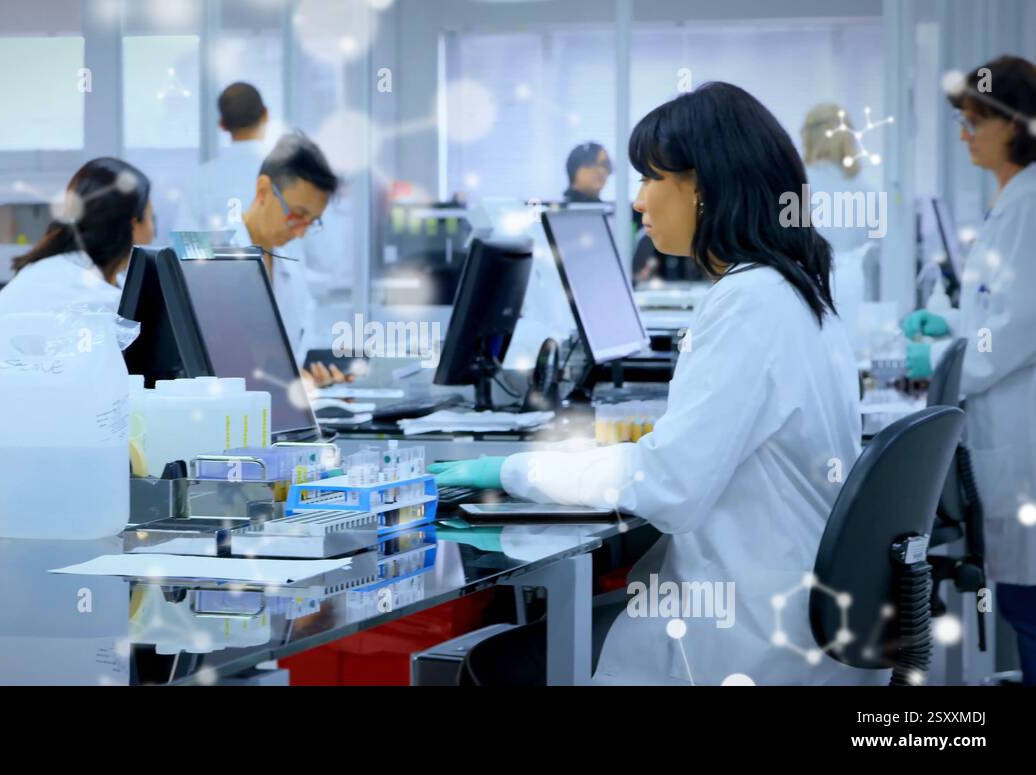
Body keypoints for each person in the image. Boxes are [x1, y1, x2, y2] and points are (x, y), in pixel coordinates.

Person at [432, 83, 884, 686]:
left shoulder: (751, 301)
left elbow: (670, 484)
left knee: (490, 663)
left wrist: (514, 470)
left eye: (652, 179)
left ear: (706, 187)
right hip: (792, 613)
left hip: (745, 638)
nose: (639, 201)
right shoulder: (793, 290)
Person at [903, 55, 1036, 685]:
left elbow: (1017, 327)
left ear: (1016, 123)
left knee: (1030, 605)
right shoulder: (1014, 198)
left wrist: (948, 359)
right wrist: (952, 329)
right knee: (1022, 600)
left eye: (973, 121)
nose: (964, 135)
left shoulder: (1032, 202)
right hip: (1009, 424)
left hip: (1023, 430)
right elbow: (997, 312)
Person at [0, 157, 155, 327]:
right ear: (133, 225)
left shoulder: (66, 272)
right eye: (150, 218)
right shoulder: (84, 295)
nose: (153, 231)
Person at [231, 131, 343, 384]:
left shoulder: (290, 272)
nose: (301, 232)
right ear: (263, 191)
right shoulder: (214, 266)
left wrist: (312, 380)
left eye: (311, 222)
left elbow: (292, 361)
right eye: (296, 214)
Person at [801, 104, 877, 329]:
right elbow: (877, 263)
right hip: (859, 313)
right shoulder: (868, 193)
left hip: (809, 311)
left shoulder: (794, 189)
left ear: (808, 137)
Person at [176, 82, 270, 232]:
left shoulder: (199, 179)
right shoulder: (294, 175)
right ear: (266, 114)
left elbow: (186, 245)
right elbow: (317, 245)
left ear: (222, 124)